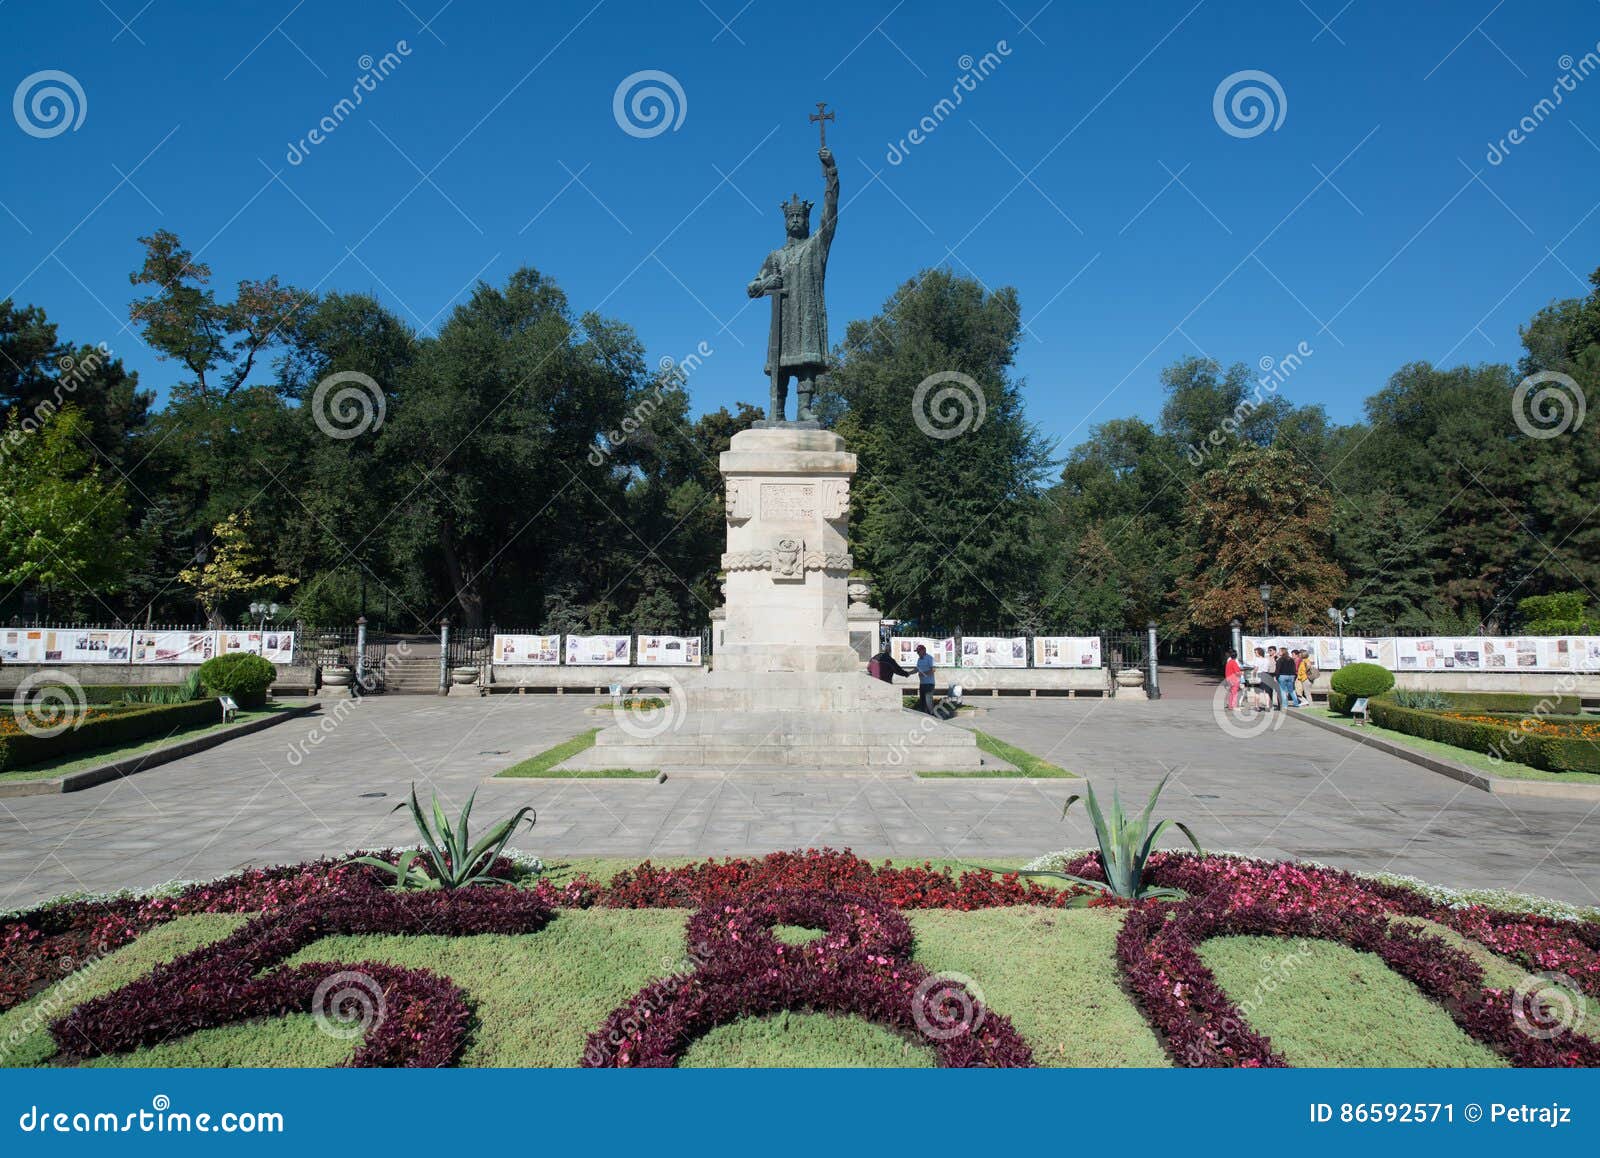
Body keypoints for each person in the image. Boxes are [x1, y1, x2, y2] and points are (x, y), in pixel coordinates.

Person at [912, 643, 936, 715]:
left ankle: (932, 715)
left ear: (924, 650)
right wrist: (908, 673)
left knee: (928, 700)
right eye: (917, 652)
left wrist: (924, 674)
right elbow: (917, 669)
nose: (917, 653)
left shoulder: (930, 658)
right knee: (922, 701)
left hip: (929, 683)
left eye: (919, 651)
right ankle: (923, 715)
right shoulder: (919, 659)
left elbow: (933, 669)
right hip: (922, 683)